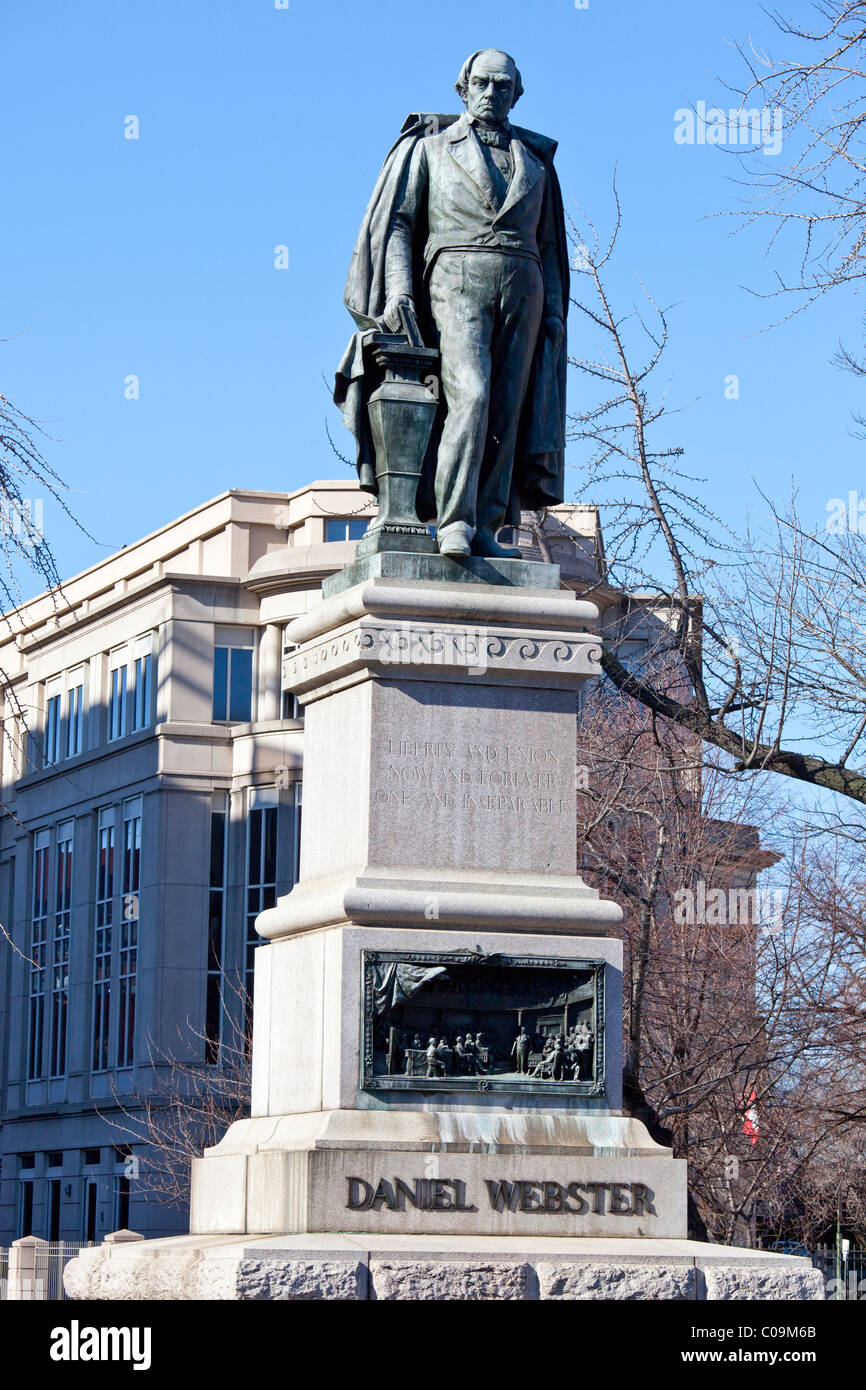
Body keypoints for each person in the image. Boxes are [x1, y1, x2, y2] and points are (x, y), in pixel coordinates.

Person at [335, 49, 569, 558]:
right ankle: (454, 520)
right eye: (482, 84)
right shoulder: (431, 148)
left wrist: (552, 310)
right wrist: (398, 290)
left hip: (524, 287)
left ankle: (485, 524)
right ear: (463, 88)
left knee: (508, 410)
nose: (492, 93)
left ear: (517, 93)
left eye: (503, 86)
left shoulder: (537, 160)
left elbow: (550, 245)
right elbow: (398, 222)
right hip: (454, 279)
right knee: (474, 395)